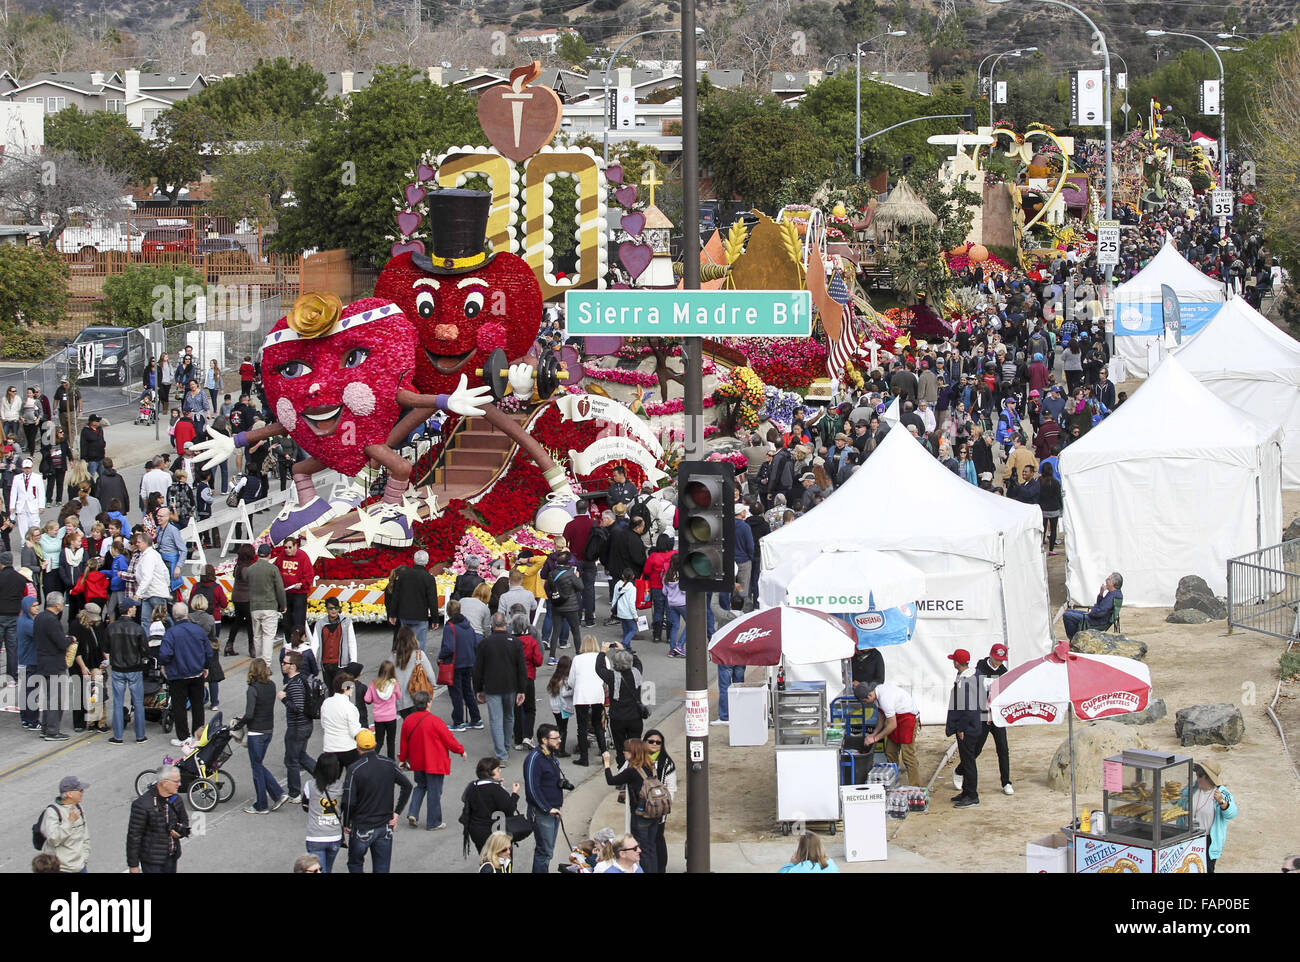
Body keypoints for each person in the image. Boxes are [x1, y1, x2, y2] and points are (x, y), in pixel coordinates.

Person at [340, 729, 412, 874]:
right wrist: (397, 812)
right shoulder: (388, 763)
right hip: (384, 825)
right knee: (382, 867)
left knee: (355, 864)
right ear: (375, 744)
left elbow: (349, 801)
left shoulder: (355, 769)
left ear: (357, 747)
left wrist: (346, 823)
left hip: (362, 826)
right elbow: (407, 785)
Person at [399, 688, 465, 830]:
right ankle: (433, 822)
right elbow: (449, 740)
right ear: (428, 703)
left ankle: (413, 812)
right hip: (434, 762)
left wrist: (403, 758)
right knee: (434, 792)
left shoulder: (408, 721)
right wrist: (461, 751)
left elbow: (404, 742)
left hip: (417, 761)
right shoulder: (435, 721)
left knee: (420, 786)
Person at [234, 657, 289, 815]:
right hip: (268, 730)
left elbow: (250, 713)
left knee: (256, 768)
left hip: (256, 732)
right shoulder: (271, 685)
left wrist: (239, 723)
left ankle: (262, 804)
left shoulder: (252, 689)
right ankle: (277, 794)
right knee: (259, 764)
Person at [473, 611, 526, 762]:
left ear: (491, 625)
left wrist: (478, 689)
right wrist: (522, 689)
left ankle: (501, 753)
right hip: (511, 685)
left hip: (492, 686)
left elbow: (478, 669)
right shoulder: (515, 642)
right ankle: (506, 746)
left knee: (496, 719)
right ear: (506, 624)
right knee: (509, 717)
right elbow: (522, 668)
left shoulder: (485, 643)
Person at [127, 764, 190, 873]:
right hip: (152, 862)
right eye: (176, 781)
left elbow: (184, 822)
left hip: (171, 857)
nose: (179, 784)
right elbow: (134, 837)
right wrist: (133, 866)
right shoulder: (142, 804)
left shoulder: (176, 799)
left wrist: (181, 832)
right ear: (164, 783)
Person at [858, 681, 921, 787]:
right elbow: (881, 717)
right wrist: (873, 734)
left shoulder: (884, 698)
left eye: (865, 701)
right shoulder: (876, 695)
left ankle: (916, 788)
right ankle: (893, 783)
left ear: (869, 695)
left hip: (907, 719)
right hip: (896, 718)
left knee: (908, 756)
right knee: (890, 752)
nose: (866, 703)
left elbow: (892, 725)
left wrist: (875, 739)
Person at [522, 723, 567, 873]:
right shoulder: (534, 759)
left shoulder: (550, 755)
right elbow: (532, 789)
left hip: (553, 810)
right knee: (544, 851)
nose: (559, 740)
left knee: (548, 850)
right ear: (544, 740)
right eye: (555, 738)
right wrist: (547, 808)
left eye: (559, 737)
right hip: (543, 812)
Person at [459, 757, 521, 856]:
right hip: (493, 832)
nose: (500, 771)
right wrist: (514, 794)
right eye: (497, 770)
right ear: (490, 773)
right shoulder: (495, 789)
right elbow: (509, 809)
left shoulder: (472, 785)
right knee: (501, 860)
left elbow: (466, 799)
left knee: (485, 858)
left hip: (476, 832)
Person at [1183, 760, 1237, 873]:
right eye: (1196, 775)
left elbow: (1231, 813)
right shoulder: (1193, 787)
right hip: (1187, 835)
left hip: (1207, 841)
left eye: (1199, 776)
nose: (1196, 778)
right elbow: (1177, 801)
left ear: (1208, 778)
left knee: (1205, 869)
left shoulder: (1221, 792)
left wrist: (1222, 802)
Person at [597, 641, 645, 768]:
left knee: (620, 747)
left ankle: (623, 770)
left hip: (618, 718)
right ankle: (637, 769)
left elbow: (599, 669)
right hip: (635, 717)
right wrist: (624, 650)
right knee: (635, 746)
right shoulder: (636, 673)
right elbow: (637, 661)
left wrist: (603, 652)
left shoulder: (612, 676)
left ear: (615, 664)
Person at [945, 648, 983, 809]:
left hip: (967, 728)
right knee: (967, 761)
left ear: (956, 662)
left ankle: (972, 795)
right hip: (972, 725)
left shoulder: (966, 682)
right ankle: (967, 792)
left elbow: (968, 709)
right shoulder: (973, 675)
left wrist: (960, 728)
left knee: (968, 762)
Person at [436, 600, 480, 731]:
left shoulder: (450, 627)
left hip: (455, 664)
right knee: (468, 692)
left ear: (448, 612)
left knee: (456, 693)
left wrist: (440, 656)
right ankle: (476, 718)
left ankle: (458, 721)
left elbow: (449, 647)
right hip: (469, 662)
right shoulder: (468, 626)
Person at [280, 650, 316, 803]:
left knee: (291, 760)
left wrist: (284, 699)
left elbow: (298, 707)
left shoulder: (294, 684)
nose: (282, 664)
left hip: (297, 727)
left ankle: (294, 793)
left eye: (285, 663)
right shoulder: (301, 680)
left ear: (293, 666)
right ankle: (324, 777)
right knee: (301, 756)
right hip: (305, 725)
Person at [35, 592, 72, 740]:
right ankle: (52, 731)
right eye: (62, 602)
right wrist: (70, 639)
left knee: (49, 698)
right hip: (54, 664)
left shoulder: (39, 617)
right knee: (57, 699)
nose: (62, 605)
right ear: (57, 605)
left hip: (42, 662)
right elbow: (61, 643)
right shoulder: (52, 620)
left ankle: (45, 727)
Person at [302, 752, 345, 873]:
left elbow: (305, 806)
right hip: (335, 836)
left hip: (315, 836)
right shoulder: (342, 786)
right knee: (327, 869)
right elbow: (345, 805)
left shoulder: (310, 785)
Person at [39, 775, 90, 873]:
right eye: (80, 790)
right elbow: (53, 839)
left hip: (80, 867)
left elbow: (85, 836)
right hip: (61, 869)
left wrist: (84, 858)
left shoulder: (78, 808)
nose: (82, 792)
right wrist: (69, 822)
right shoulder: (52, 812)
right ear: (70, 794)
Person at [570, 635, 608, 766]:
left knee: (582, 726)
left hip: (582, 694)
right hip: (597, 694)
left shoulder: (577, 659)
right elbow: (606, 675)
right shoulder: (602, 658)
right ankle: (604, 754)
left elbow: (571, 680)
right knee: (598, 725)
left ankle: (584, 757)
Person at [247, 544, 286, 665]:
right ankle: (266, 664)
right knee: (268, 636)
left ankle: (258, 662)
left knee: (257, 636)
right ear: (270, 555)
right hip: (269, 606)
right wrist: (283, 605)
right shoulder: (272, 569)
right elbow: (279, 589)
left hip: (254, 607)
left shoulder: (250, 569)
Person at [309, 596, 358, 692]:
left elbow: (351, 642)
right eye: (331, 608)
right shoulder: (320, 624)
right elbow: (315, 643)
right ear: (326, 609)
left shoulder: (346, 622)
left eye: (336, 608)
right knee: (329, 692)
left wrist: (353, 661)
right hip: (326, 664)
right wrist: (312, 659)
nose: (334, 611)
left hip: (341, 665)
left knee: (342, 691)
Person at [511, 612, 544, 750]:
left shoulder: (511, 641)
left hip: (513, 678)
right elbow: (538, 660)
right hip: (528, 677)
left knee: (516, 709)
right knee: (530, 708)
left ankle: (518, 740)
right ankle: (527, 736)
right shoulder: (531, 641)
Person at [321, 672, 363, 769]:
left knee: (332, 780)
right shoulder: (350, 707)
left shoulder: (326, 703)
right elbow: (354, 731)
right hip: (347, 747)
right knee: (353, 777)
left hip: (330, 747)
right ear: (345, 688)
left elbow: (324, 724)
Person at [1063, 572, 1123, 639]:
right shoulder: (1113, 593)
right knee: (1070, 611)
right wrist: (1101, 593)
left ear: (1113, 583)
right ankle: (1075, 637)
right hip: (1096, 617)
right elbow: (1100, 605)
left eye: (1109, 579)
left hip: (1097, 621)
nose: (1106, 580)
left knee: (1067, 615)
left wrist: (1091, 612)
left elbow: (1100, 612)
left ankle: (1073, 639)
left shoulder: (1112, 596)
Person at [274, 536, 313, 636]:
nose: (287, 550)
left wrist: (302, 584)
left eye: (290, 547)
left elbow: (309, 575)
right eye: (285, 547)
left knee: (298, 621)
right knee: (286, 622)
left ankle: (298, 643)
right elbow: (276, 570)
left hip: (299, 594)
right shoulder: (282, 556)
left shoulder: (303, 556)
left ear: (296, 546)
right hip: (285, 593)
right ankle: (288, 642)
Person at [364, 660, 401, 760]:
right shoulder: (394, 684)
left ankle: (372, 758)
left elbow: (367, 699)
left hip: (378, 717)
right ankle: (391, 760)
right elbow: (399, 696)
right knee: (391, 740)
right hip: (391, 716)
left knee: (379, 740)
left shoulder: (373, 683)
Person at [224, 544, 255, 656]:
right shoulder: (247, 568)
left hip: (236, 596)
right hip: (245, 598)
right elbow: (251, 581)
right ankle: (252, 647)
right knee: (250, 623)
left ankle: (229, 644)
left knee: (238, 620)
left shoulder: (238, 566)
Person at [9, 458, 43, 542]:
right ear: (22, 468)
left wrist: (41, 505)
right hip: (21, 505)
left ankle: (35, 541)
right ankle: (24, 542)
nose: (27, 470)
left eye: (29, 468)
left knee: (34, 524)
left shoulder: (37, 477)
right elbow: (13, 493)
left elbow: (41, 492)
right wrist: (12, 506)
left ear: (31, 468)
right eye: (25, 468)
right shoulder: (17, 478)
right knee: (23, 526)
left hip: (33, 505)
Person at [611, 567, 638, 649]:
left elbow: (614, 598)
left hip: (620, 612)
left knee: (625, 631)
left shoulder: (617, 585)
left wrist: (613, 609)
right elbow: (631, 604)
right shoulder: (632, 588)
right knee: (633, 630)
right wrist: (635, 616)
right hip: (629, 614)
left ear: (622, 576)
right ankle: (623, 644)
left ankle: (628, 649)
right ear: (633, 577)